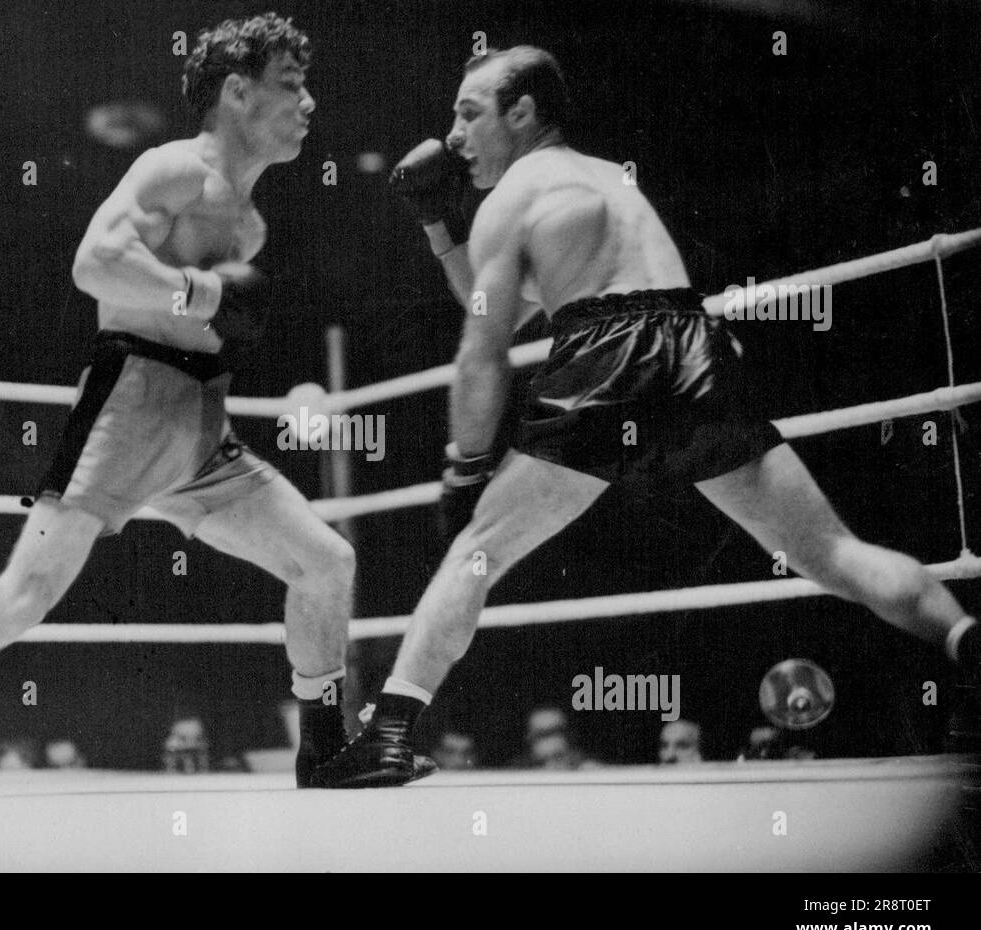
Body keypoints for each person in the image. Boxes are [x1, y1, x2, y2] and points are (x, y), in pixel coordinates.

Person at [313, 45, 981, 788]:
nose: (454, 135)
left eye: (469, 113)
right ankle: (965, 640)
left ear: (522, 112)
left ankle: (389, 734)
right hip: (694, 345)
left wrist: (465, 464)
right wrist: (440, 225)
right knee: (829, 551)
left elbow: (484, 347)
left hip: (607, 352)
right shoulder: (609, 179)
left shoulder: (513, 198)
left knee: (477, 551)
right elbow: (514, 297)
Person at [0, 13, 388, 801]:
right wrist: (203, 293)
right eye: (291, 85)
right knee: (26, 594)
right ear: (236, 91)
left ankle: (323, 748)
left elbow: (205, 320)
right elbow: (95, 263)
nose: (309, 102)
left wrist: (224, 320)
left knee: (326, 560)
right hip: (127, 407)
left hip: (200, 424)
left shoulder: (250, 224)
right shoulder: (173, 169)